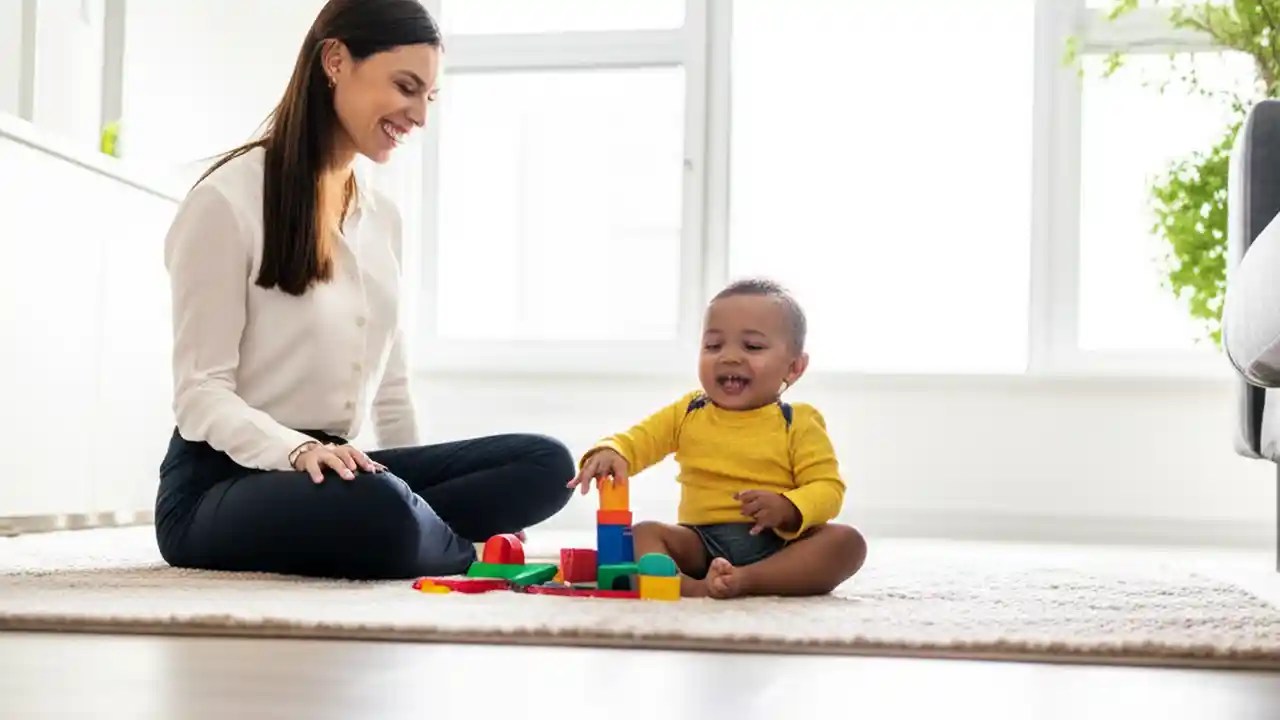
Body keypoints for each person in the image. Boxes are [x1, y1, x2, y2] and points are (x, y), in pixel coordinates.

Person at [155, 0, 573, 580]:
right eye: (407, 86)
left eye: (430, 96)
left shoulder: (382, 219)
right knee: (379, 509)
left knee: (546, 464)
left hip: (342, 471)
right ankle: (455, 548)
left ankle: (419, 529)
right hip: (219, 483)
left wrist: (408, 487)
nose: (420, 115)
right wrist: (298, 452)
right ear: (335, 61)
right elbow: (200, 393)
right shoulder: (227, 202)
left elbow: (393, 390)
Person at [569, 279, 868, 598]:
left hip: (780, 544)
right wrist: (611, 450)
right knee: (643, 535)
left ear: (794, 368)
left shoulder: (798, 421)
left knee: (847, 543)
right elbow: (637, 440)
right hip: (698, 543)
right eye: (713, 345)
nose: (729, 357)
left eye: (752, 347)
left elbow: (828, 487)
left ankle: (748, 580)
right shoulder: (688, 411)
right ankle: (696, 587)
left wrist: (788, 507)